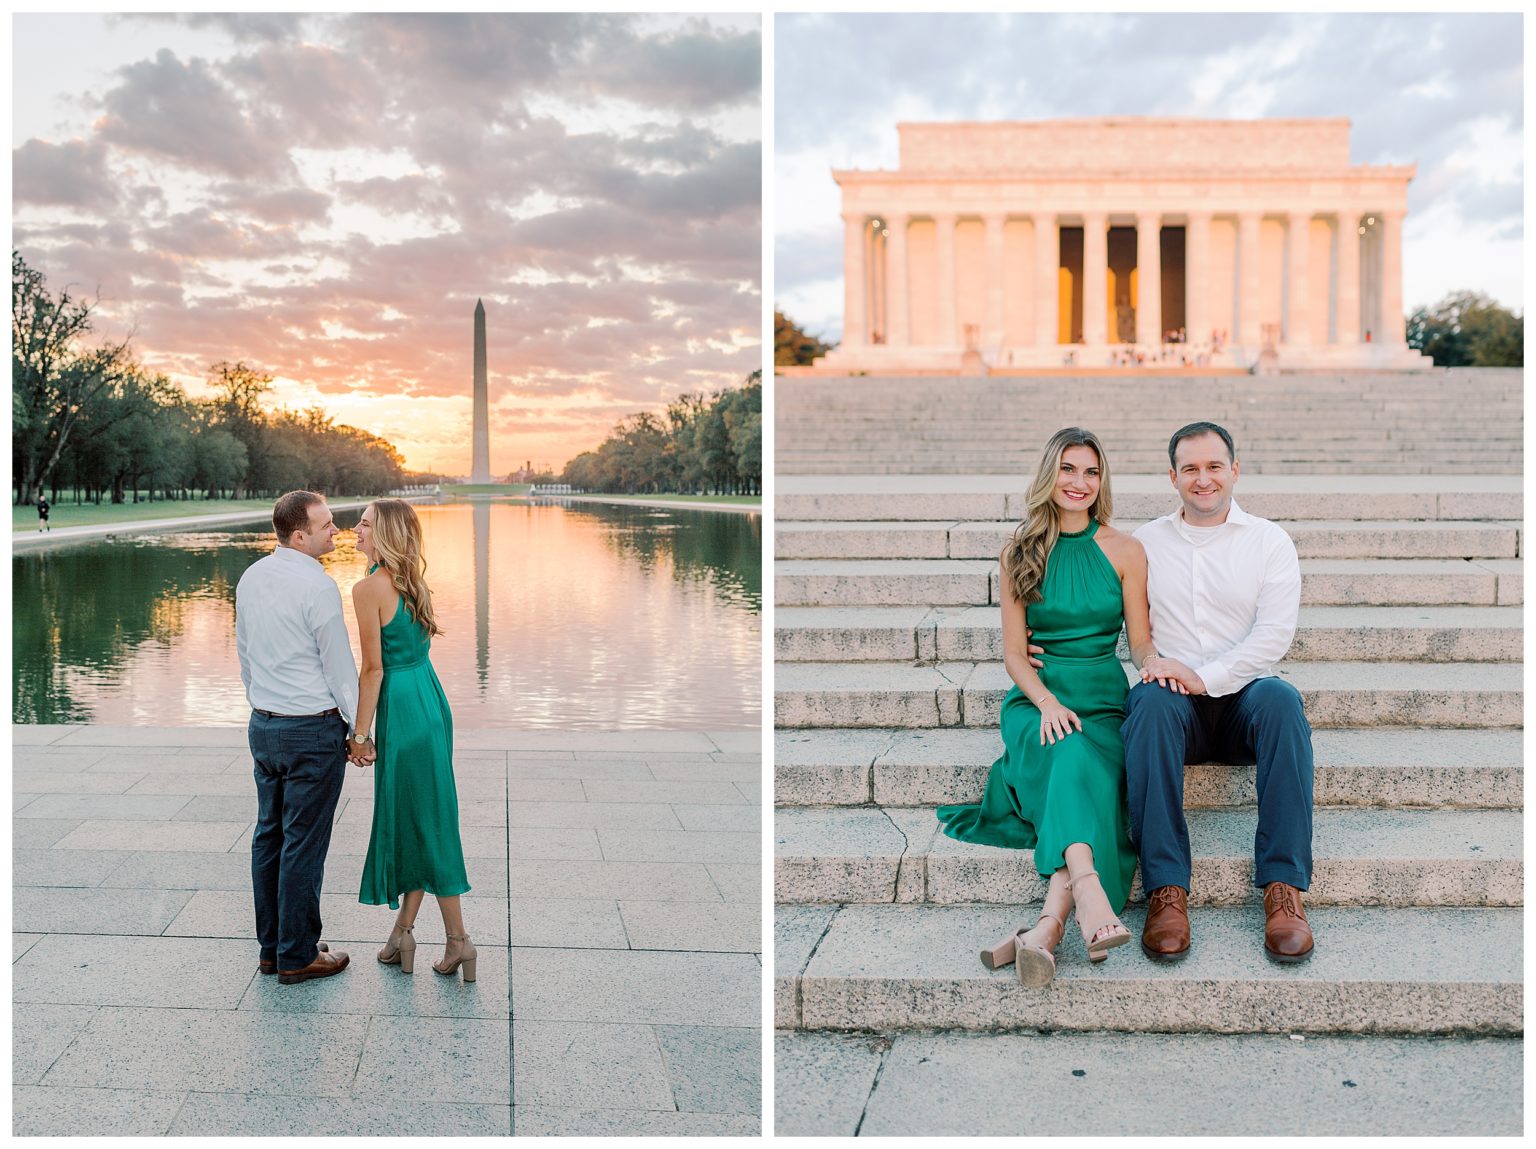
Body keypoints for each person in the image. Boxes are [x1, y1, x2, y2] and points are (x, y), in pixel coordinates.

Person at [938, 427, 1156, 986]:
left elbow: (1139, 642)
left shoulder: (1126, 550)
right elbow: (1013, 654)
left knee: (1085, 765)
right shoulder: (1019, 552)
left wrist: (1158, 667)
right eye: (1067, 469)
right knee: (1069, 755)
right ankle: (1089, 890)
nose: (1079, 482)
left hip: (1105, 700)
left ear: (1102, 480)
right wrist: (1046, 702)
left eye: (1090, 471)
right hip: (1037, 700)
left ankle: (1043, 931)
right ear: (1048, 476)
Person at [1122, 421, 1314, 964]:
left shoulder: (1269, 541)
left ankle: (1284, 889)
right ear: (1173, 476)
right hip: (1173, 708)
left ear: (1234, 470)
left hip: (1243, 704)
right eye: (1190, 469)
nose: (1202, 479)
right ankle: (1166, 891)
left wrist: (1206, 677)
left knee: (1282, 700)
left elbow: (1274, 636)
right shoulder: (1146, 542)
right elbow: (1119, 619)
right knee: (1150, 703)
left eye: (1213, 467)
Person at [235, 490, 358, 985]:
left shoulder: (250, 577)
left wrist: (263, 704)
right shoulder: (318, 586)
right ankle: (298, 955)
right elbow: (339, 667)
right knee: (303, 843)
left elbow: (244, 652)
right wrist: (359, 730)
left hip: (265, 726)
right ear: (299, 534)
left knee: (270, 837)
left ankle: (275, 947)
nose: (337, 531)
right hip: (311, 729)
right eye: (327, 525)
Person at [351, 499, 475, 981]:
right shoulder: (412, 581)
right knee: (421, 818)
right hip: (429, 698)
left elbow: (372, 669)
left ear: (384, 534)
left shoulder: (368, 589)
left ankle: (459, 941)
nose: (354, 530)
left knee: (428, 822)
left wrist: (360, 736)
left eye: (364, 524)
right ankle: (402, 932)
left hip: (402, 706)